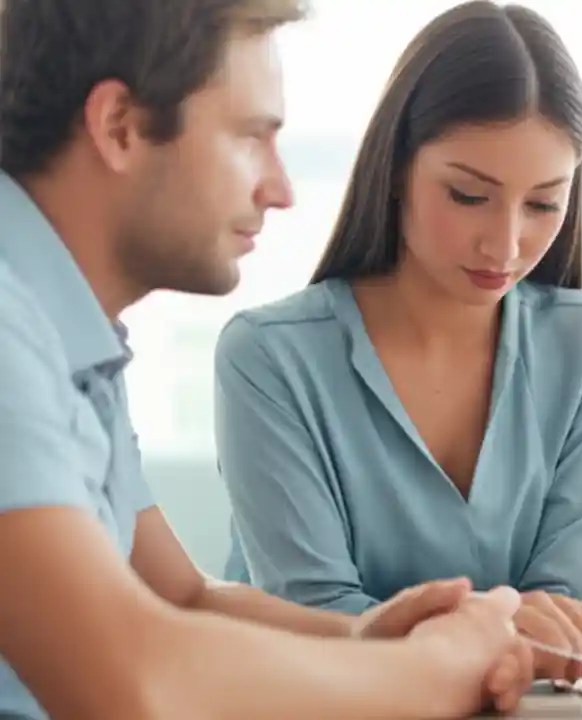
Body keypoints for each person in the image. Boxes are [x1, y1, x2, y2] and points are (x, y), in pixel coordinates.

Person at [0, 1, 533, 717]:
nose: (280, 190)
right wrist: (439, 668)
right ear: (120, 127)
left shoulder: (69, 335)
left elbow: (181, 597)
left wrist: (364, 639)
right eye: (252, 137)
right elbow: (134, 679)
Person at [212, 0, 582, 681]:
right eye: (468, 196)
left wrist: (554, 636)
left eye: (543, 203)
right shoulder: (268, 357)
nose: (505, 245)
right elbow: (320, 618)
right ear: (396, 168)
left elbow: (572, 617)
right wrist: (530, 634)